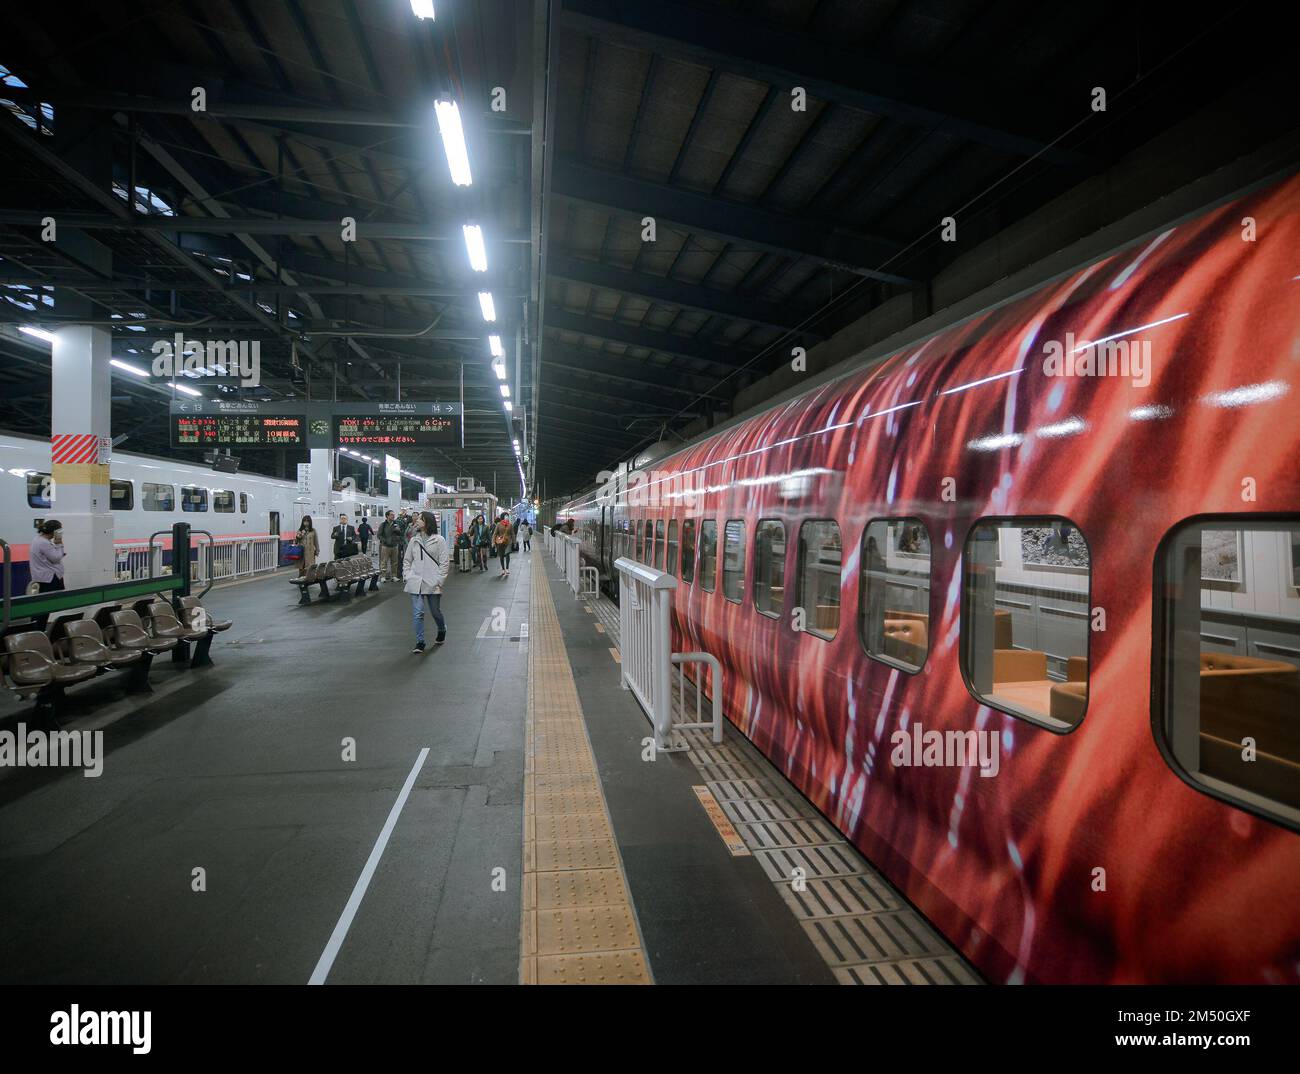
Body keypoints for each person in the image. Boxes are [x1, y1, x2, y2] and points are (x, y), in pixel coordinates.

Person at [404, 511, 448, 653]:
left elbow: (444, 562)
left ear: (427, 522)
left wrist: (439, 580)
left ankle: (442, 629)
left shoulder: (439, 540)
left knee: (435, 611)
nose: (417, 520)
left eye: (421, 519)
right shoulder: (414, 540)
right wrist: (407, 575)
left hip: (433, 581)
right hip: (415, 581)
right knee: (418, 613)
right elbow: (407, 560)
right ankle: (420, 642)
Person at [29, 518, 65, 631]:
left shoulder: (37, 539)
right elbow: (56, 558)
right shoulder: (44, 543)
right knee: (45, 606)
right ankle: (38, 630)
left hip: (41, 577)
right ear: (54, 531)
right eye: (59, 530)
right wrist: (59, 544)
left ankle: (36, 629)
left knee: (40, 605)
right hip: (49, 578)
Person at [378, 510, 402, 581]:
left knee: (395, 562)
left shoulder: (396, 524)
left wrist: (398, 531)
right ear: (387, 516)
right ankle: (383, 576)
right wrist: (385, 541)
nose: (393, 516)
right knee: (384, 562)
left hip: (394, 546)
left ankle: (394, 576)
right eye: (391, 515)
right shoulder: (383, 524)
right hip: (385, 546)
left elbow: (399, 534)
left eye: (393, 515)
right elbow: (379, 535)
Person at [493, 513, 514, 578]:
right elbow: (495, 533)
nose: (507, 517)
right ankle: (503, 569)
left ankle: (507, 568)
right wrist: (493, 541)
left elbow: (512, 533)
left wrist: (514, 541)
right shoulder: (499, 525)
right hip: (501, 542)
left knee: (507, 554)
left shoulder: (510, 525)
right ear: (502, 517)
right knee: (501, 555)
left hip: (508, 542)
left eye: (507, 516)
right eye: (505, 516)